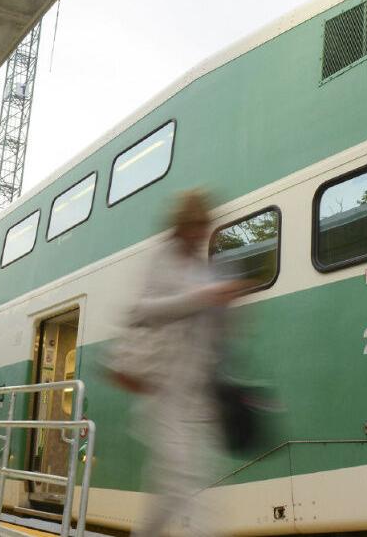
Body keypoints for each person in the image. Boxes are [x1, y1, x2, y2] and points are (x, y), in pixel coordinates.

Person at [116, 190, 245, 537]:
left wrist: (228, 309)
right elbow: (144, 310)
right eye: (200, 227)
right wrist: (202, 298)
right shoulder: (162, 259)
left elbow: (212, 331)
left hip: (199, 394)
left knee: (176, 486)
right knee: (187, 481)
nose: (204, 234)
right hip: (166, 393)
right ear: (185, 225)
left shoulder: (201, 268)